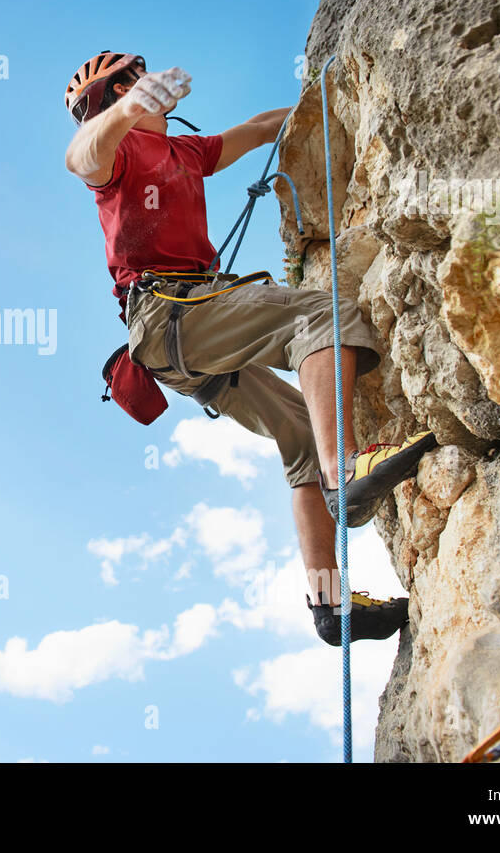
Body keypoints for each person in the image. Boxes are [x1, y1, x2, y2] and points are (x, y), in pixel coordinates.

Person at [65, 51, 436, 646]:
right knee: (318, 313)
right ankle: (346, 473)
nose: (148, 91)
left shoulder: (186, 152)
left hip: (182, 342)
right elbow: (80, 156)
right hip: (171, 316)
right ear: (115, 102)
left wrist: (335, 97)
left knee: (298, 438)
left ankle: (329, 604)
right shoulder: (116, 155)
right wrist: (131, 108)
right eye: (131, 86)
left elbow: (263, 129)